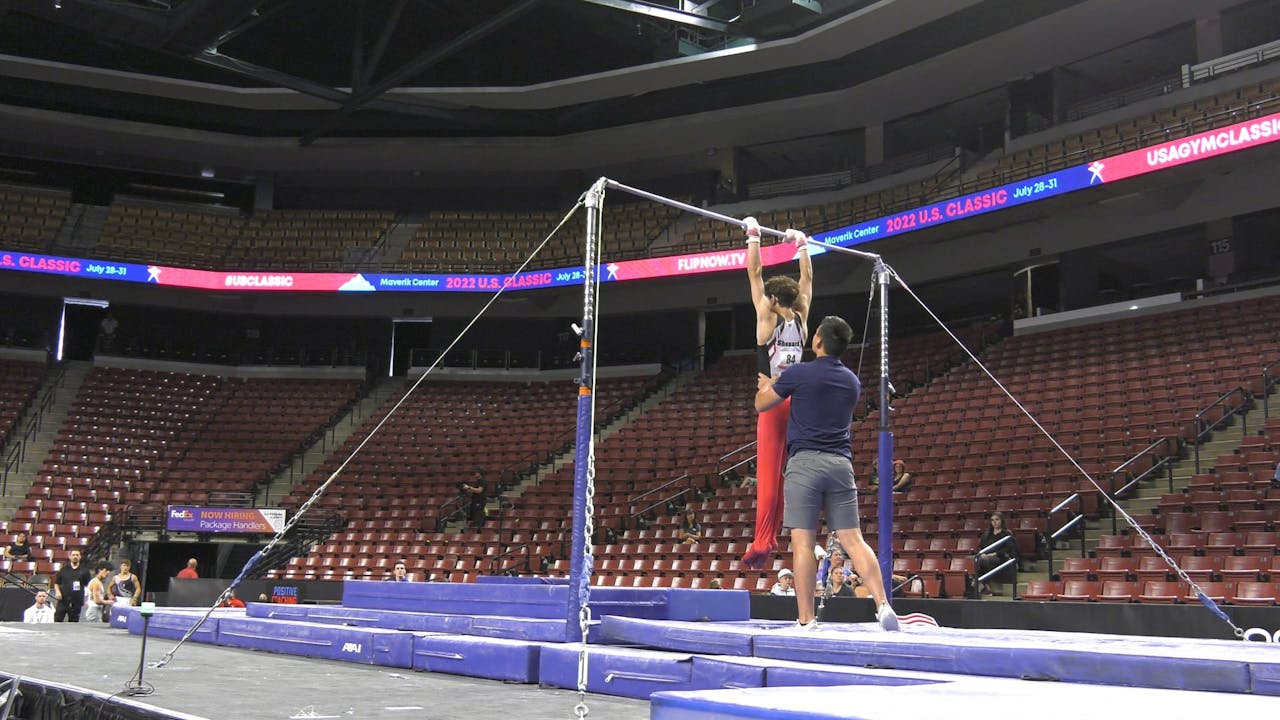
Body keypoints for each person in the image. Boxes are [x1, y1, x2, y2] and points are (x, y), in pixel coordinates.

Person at [755, 314, 898, 631]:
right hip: (840, 465)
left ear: (817, 341)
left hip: (805, 463)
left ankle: (806, 619)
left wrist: (768, 384)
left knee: (803, 543)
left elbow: (761, 404)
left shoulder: (799, 372)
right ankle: (883, 604)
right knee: (854, 540)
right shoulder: (852, 381)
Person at [743, 219, 813, 570]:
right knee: (786, 470)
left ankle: (762, 541)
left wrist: (753, 235)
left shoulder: (766, 317)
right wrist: (802, 245)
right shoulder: (801, 317)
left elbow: (755, 273)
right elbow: (807, 280)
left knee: (769, 471)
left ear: (772, 299)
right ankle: (772, 536)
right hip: (798, 401)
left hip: (773, 399)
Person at [976, 511, 1016, 596]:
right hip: (985, 556)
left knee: (983, 560)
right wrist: (981, 553)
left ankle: (980, 584)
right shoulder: (987, 534)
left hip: (1001, 558)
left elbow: (1008, 548)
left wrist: (994, 554)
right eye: (992, 520)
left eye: (997, 519)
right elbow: (980, 547)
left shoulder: (1006, 534)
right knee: (972, 559)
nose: (994, 522)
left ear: (1002, 521)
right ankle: (982, 585)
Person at [53, 550, 91, 622]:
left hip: (77, 601)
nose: (75, 557)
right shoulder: (63, 570)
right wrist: (58, 592)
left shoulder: (85, 571)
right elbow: (56, 583)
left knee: (73, 623)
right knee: (57, 619)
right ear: (70, 557)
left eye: (77, 555)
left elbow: (89, 586)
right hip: (63, 600)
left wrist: (87, 599)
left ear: (80, 557)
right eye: (73, 555)